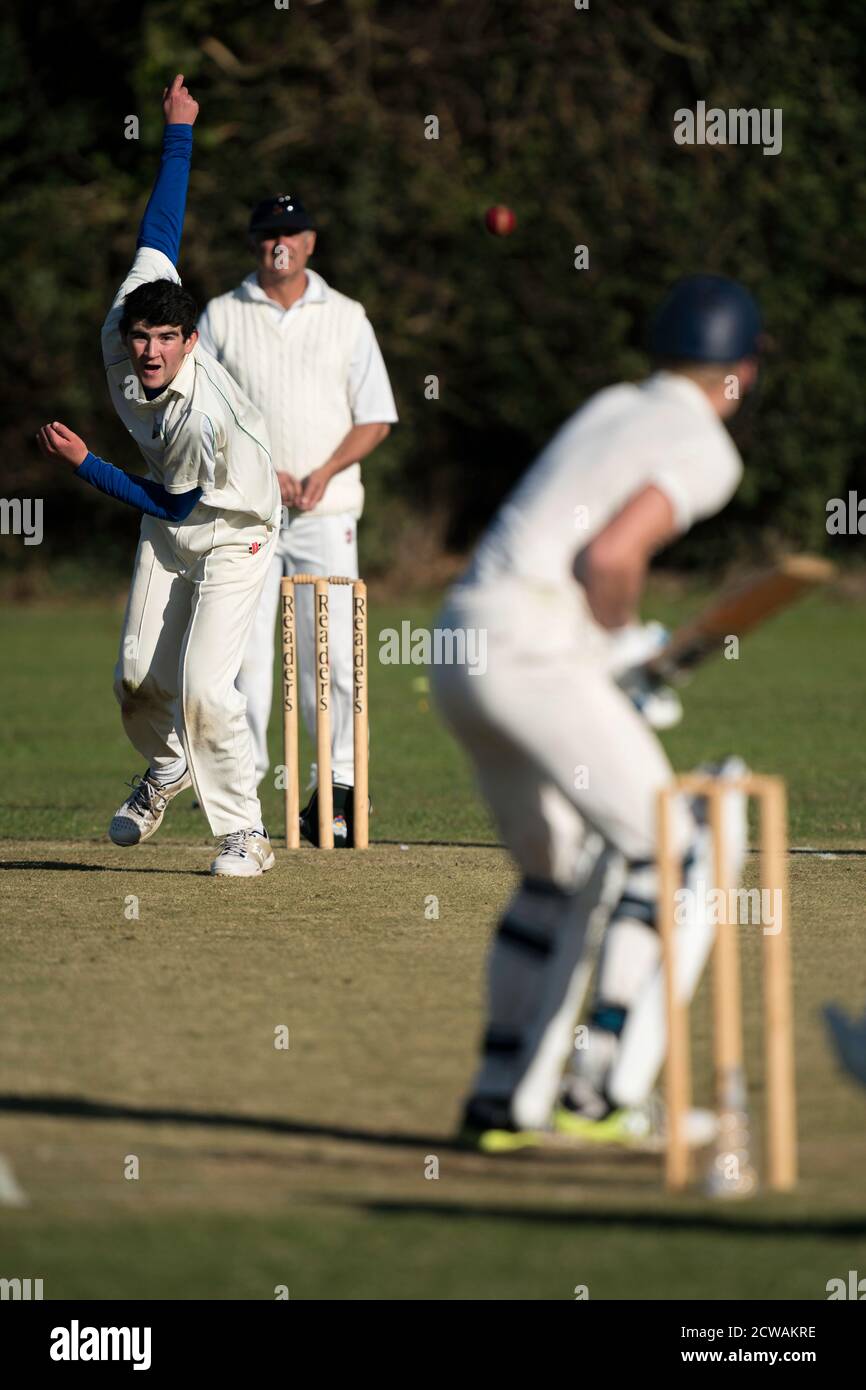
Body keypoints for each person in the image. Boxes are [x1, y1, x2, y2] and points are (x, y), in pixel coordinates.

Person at [432, 275, 763, 1149]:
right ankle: (598, 1089)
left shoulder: (611, 403)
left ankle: (498, 1101)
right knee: (670, 850)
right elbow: (611, 557)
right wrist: (620, 645)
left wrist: (604, 652)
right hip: (533, 648)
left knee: (553, 877)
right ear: (741, 374)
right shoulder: (707, 445)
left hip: (460, 640)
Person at [35, 76, 281, 878]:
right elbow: (162, 226)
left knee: (207, 687)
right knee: (136, 679)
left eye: (166, 340)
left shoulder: (201, 416)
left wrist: (86, 465)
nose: (148, 352)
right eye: (141, 336)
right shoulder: (124, 320)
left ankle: (245, 835)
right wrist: (179, 130)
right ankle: (167, 768)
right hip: (174, 518)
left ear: (191, 341)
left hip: (236, 526)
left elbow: (171, 501)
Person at [197, 195, 397, 846]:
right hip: (247, 512)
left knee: (332, 658)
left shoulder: (347, 316)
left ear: (311, 241)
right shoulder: (221, 315)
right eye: (267, 234)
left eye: (290, 232)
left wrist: (324, 471)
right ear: (254, 243)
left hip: (326, 512)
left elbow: (375, 416)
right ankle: (241, 803)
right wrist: (263, 468)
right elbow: (203, 414)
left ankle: (337, 794)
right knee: (245, 660)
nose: (278, 243)